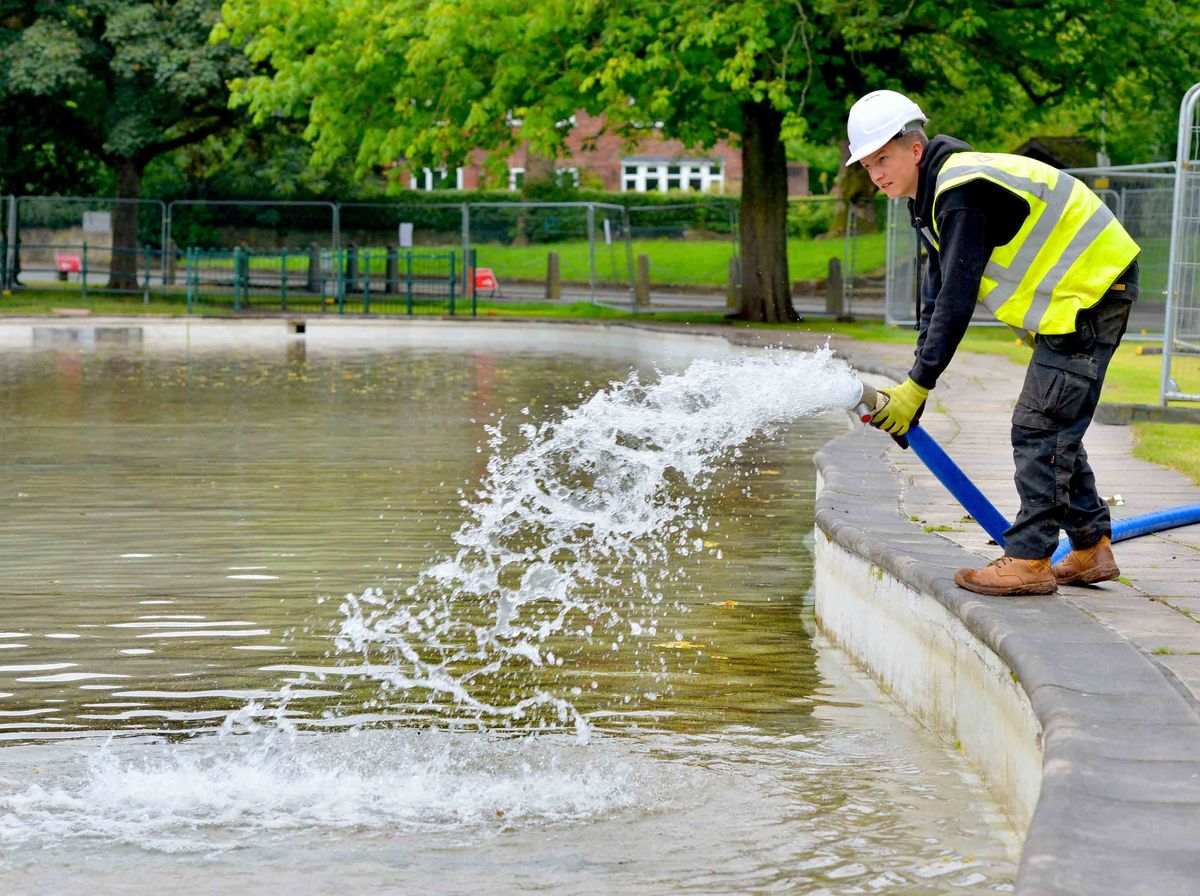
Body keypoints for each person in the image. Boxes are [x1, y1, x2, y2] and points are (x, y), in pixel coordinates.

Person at [845, 89, 1140, 597]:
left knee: (1039, 423)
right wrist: (914, 385)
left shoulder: (961, 192)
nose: (876, 174)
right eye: (868, 165)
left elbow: (957, 299)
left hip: (1091, 291)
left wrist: (918, 386)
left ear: (914, 149)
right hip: (1083, 294)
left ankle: (1029, 560)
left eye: (883, 159)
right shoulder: (932, 197)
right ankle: (1090, 548)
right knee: (1053, 421)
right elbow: (936, 295)